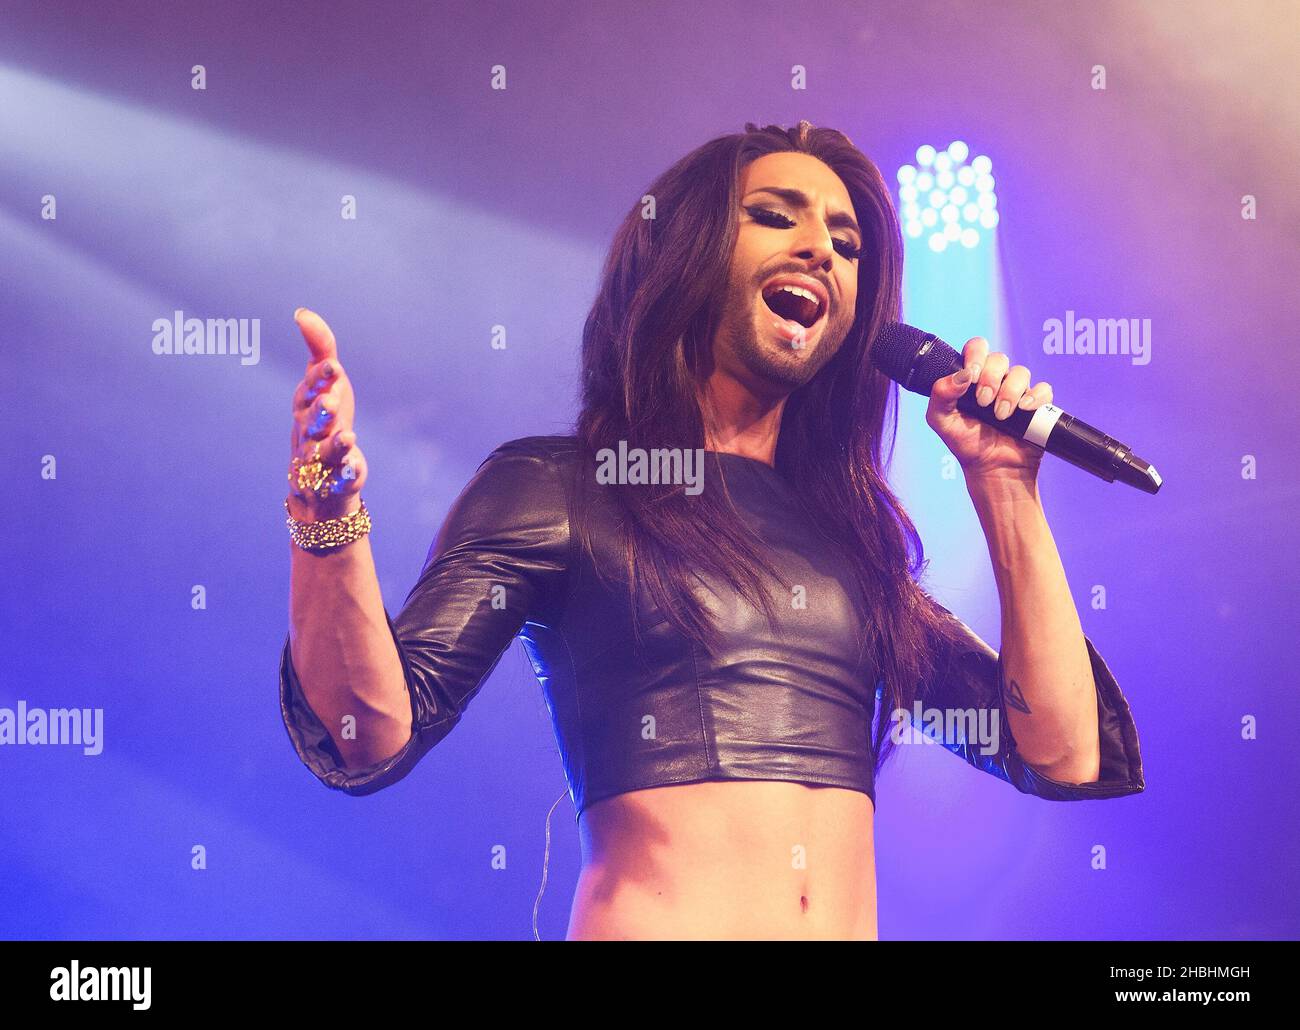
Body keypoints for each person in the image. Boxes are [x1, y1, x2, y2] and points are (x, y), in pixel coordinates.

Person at [278, 120, 1144, 941]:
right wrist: (326, 515)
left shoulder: (851, 544)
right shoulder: (559, 488)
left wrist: (1004, 487)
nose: (823, 251)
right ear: (686, 256)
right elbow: (368, 731)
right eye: (775, 218)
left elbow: (1061, 751)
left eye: (848, 245)